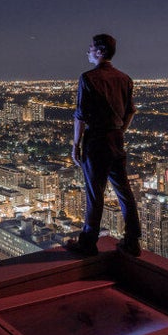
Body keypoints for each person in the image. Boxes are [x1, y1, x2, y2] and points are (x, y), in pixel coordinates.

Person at [65, 33, 142, 257]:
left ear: (99, 52)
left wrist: (76, 145)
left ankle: (88, 243)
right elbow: (130, 112)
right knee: (124, 191)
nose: (87, 51)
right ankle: (133, 241)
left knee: (95, 193)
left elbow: (80, 115)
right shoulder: (125, 78)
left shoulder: (88, 78)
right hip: (116, 140)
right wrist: (119, 131)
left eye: (90, 48)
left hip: (96, 141)